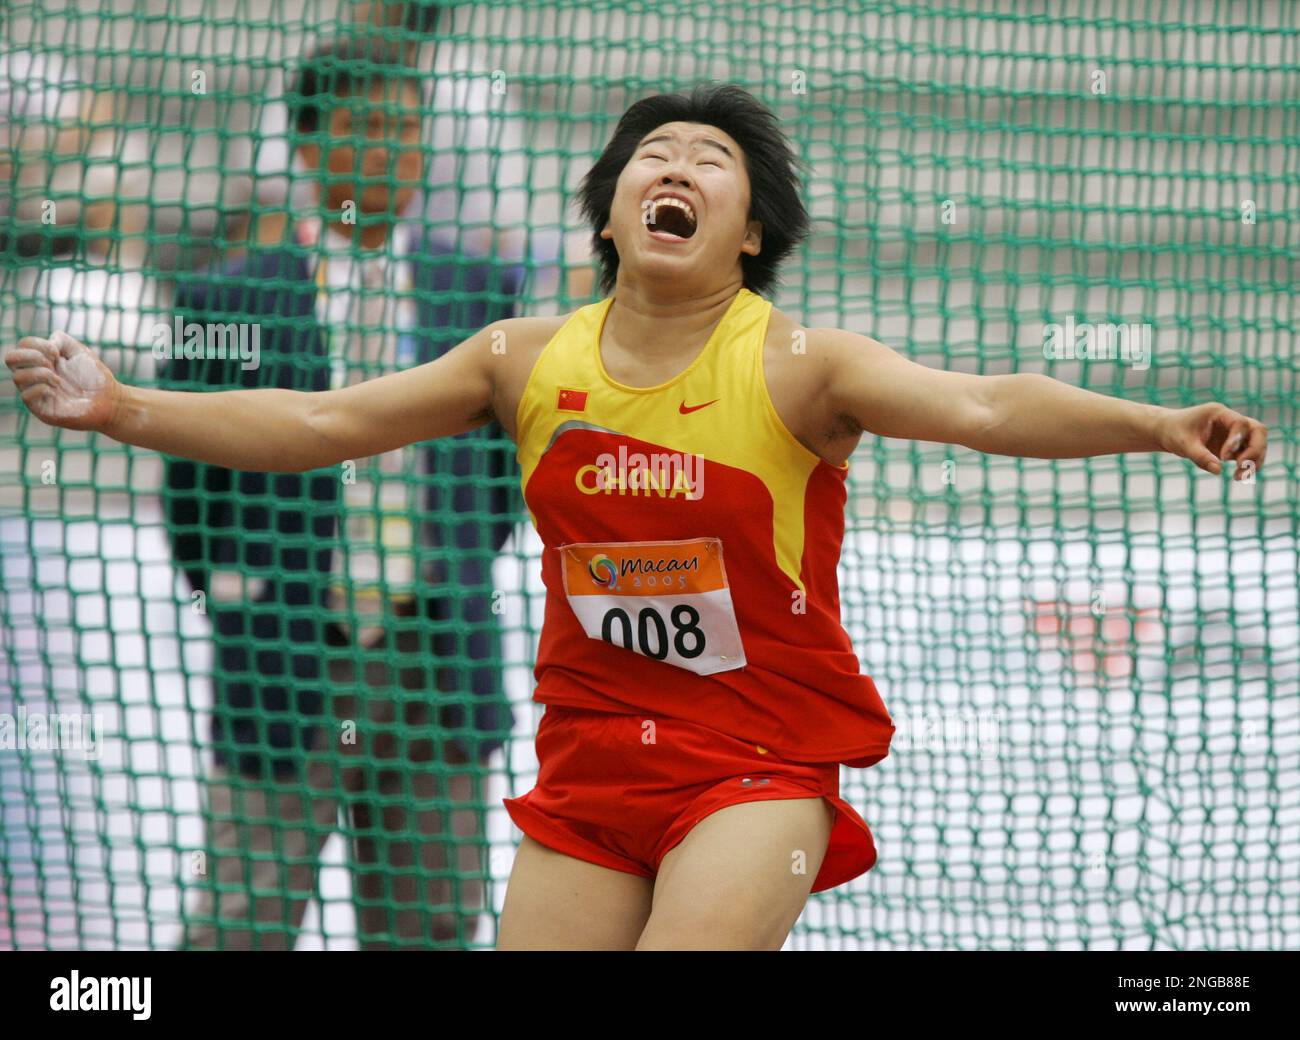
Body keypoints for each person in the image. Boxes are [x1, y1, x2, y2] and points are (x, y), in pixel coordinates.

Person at [5, 82, 1268, 951]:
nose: (676, 167)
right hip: (592, 758)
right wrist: (123, 405)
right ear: (610, 210)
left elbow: (991, 408)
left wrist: (1153, 423)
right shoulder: (520, 354)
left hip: (757, 761)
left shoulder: (803, 364)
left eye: (707, 161)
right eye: (650, 158)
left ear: (749, 229)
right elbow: (324, 424)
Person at [154, 38, 520, 949]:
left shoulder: (479, 296)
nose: (392, 150)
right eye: (365, 128)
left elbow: (499, 490)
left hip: (436, 660)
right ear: (309, 146)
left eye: (408, 129)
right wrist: (251, 594)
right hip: (284, 657)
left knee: (434, 927)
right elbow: (192, 495)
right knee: (241, 925)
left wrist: (442, 573)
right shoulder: (228, 299)